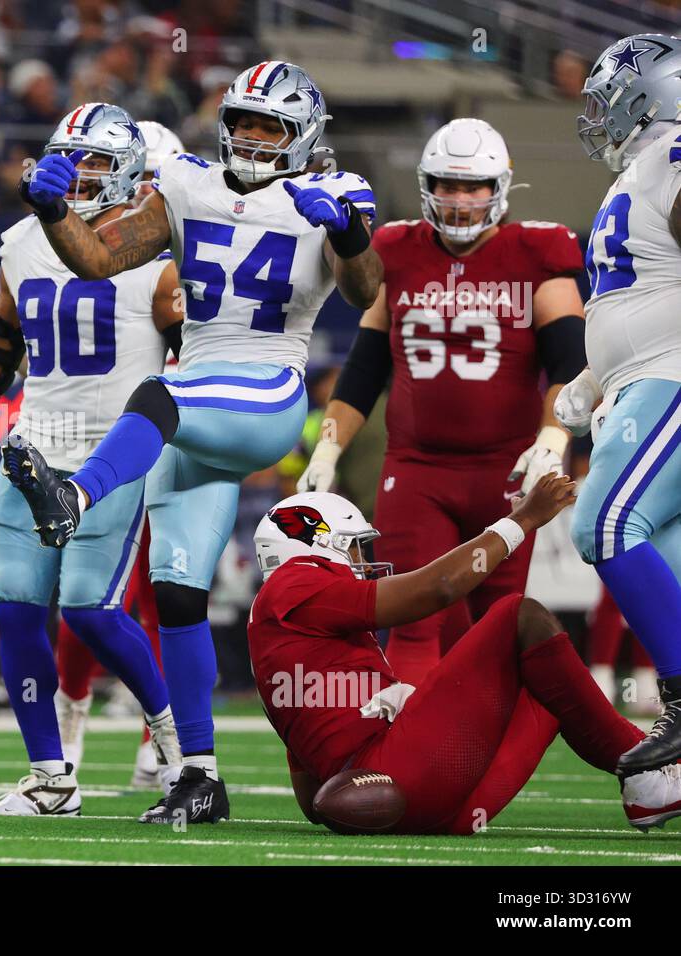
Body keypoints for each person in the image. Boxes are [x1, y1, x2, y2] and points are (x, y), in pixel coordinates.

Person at [0, 64, 383, 823]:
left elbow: (364, 289)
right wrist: (53, 211)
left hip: (265, 392)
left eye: (268, 127)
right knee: (178, 591)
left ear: (303, 135)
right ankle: (199, 773)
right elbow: (98, 255)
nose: (250, 137)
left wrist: (346, 229)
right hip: (194, 417)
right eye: (242, 121)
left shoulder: (335, 193)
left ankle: (75, 493)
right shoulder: (184, 185)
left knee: (155, 394)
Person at [0, 103, 185, 816]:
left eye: (96, 162)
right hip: (34, 447)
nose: (79, 175)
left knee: (91, 612)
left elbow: (193, 367)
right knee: (12, 607)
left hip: (110, 457)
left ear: (129, 172)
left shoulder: (159, 266)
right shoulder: (20, 243)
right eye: (71, 159)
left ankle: (177, 745)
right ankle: (50, 776)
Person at [295, 119, 587, 685]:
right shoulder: (397, 249)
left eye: (472, 186)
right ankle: (405, 762)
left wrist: (553, 441)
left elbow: (569, 363)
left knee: (496, 624)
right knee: (412, 620)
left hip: (507, 468)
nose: (458, 201)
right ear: (426, 184)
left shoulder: (538, 250)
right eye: (446, 185)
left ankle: (483, 764)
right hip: (417, 468)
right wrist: (327, 450)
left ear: (499, 187)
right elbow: (363, 370)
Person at [247, 478, 681, 834]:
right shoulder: (293, 584)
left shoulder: (277, 625)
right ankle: (647, 773)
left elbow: (309, 796)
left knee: (546, 680)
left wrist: (351, 796)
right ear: (312, 541)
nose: (363, 559)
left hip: (418, 802)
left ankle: (648, 774)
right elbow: (438, 589)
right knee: (519, 615)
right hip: (396, 775)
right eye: (355, 546)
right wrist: (521, 521)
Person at [561, 34, 681, 775]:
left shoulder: (672, 155)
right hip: (642, 381)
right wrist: (589, 381)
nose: (599, 116)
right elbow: (633, 292)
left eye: (609, 100)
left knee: (604, 522)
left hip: (671, 377)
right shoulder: (642, 169)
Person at [53, 120, 181, 787]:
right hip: (97, 435)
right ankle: (71, 714)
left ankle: (154, 739)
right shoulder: (74, 248)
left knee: (165, 594)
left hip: (161, 438)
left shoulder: (171, 257)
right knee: (90, 595)